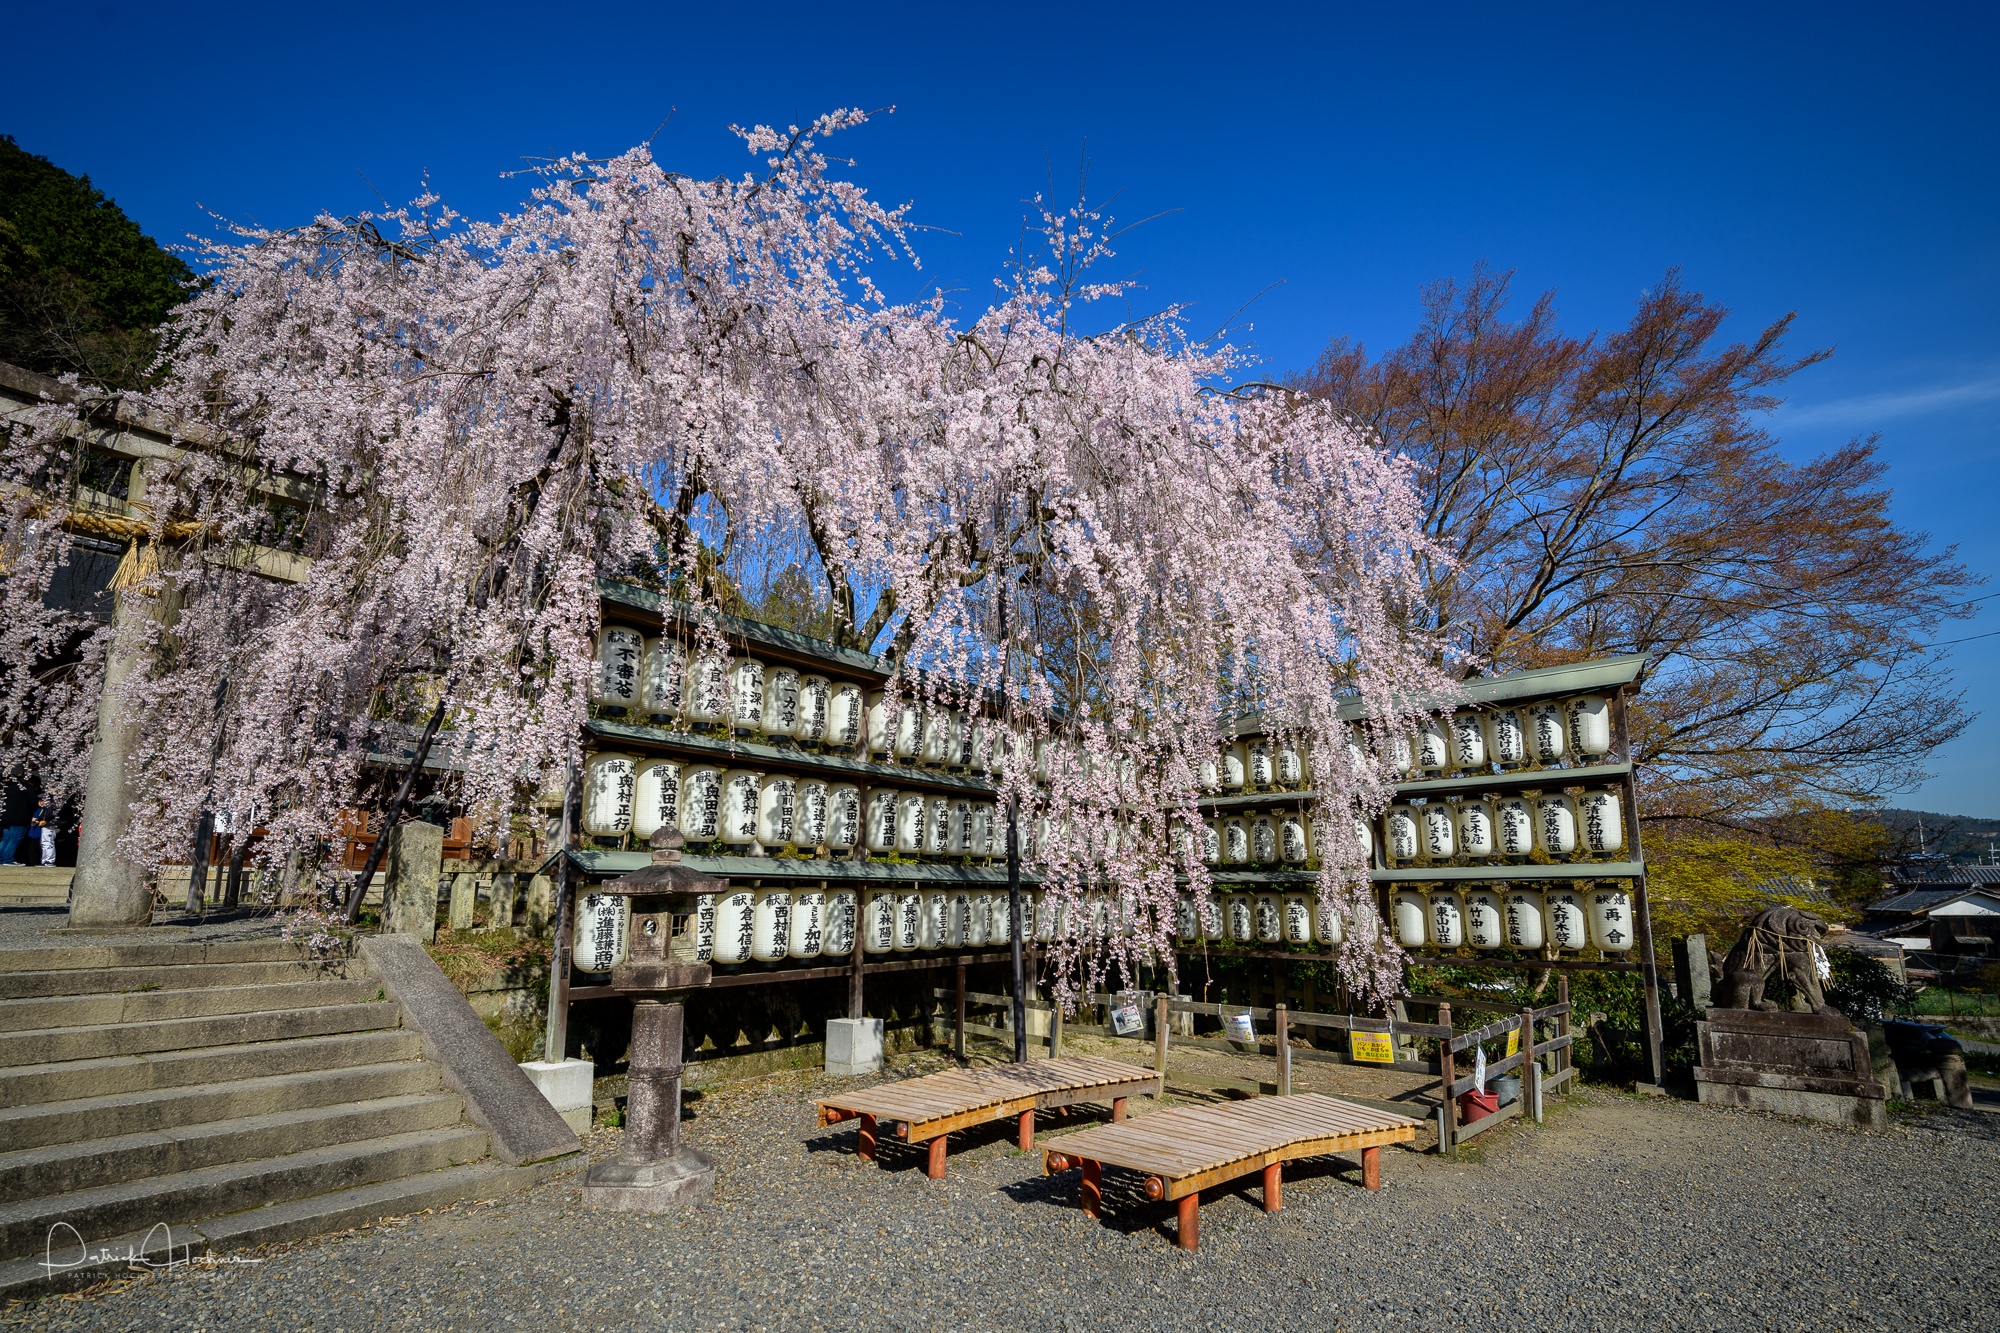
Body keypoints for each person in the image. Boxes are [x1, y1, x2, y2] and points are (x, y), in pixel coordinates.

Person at [0, 782, 33, 865]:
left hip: (5, 817)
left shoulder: (6, 787)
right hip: (19, 817)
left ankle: (2, 858)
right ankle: (7, 859)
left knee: (5, 839)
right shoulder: (25, 787)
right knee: (15, 839)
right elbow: (33, 801)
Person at [30, 794, 56, 867]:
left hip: (49, 826)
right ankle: (45, 860)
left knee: (48, 843)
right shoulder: (45, 808)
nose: (41, 803)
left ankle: (49, 860)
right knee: (45, 843)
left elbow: (48, 816)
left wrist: (39, 819)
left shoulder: (49, 807)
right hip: (45, 826)